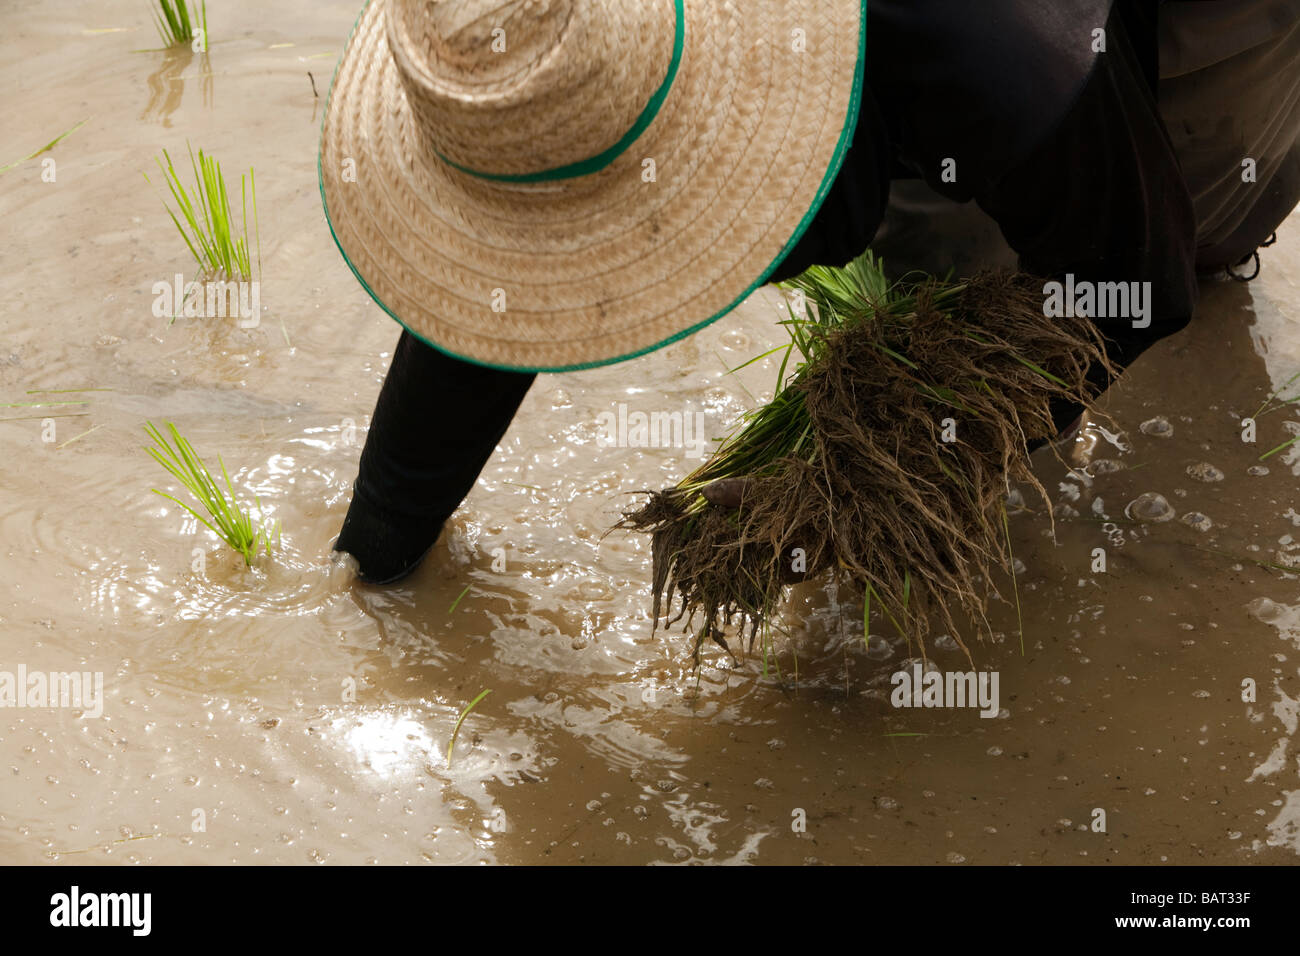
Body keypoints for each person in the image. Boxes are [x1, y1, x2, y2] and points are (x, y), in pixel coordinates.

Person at [320, 0, 1300, 585]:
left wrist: (852, 486)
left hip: (1130, 39)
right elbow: (510, 268)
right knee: (950, 261)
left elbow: (1139, 283)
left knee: (1190, 210)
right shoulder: (562, 49)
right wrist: (377, 547)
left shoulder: (1005, 54)